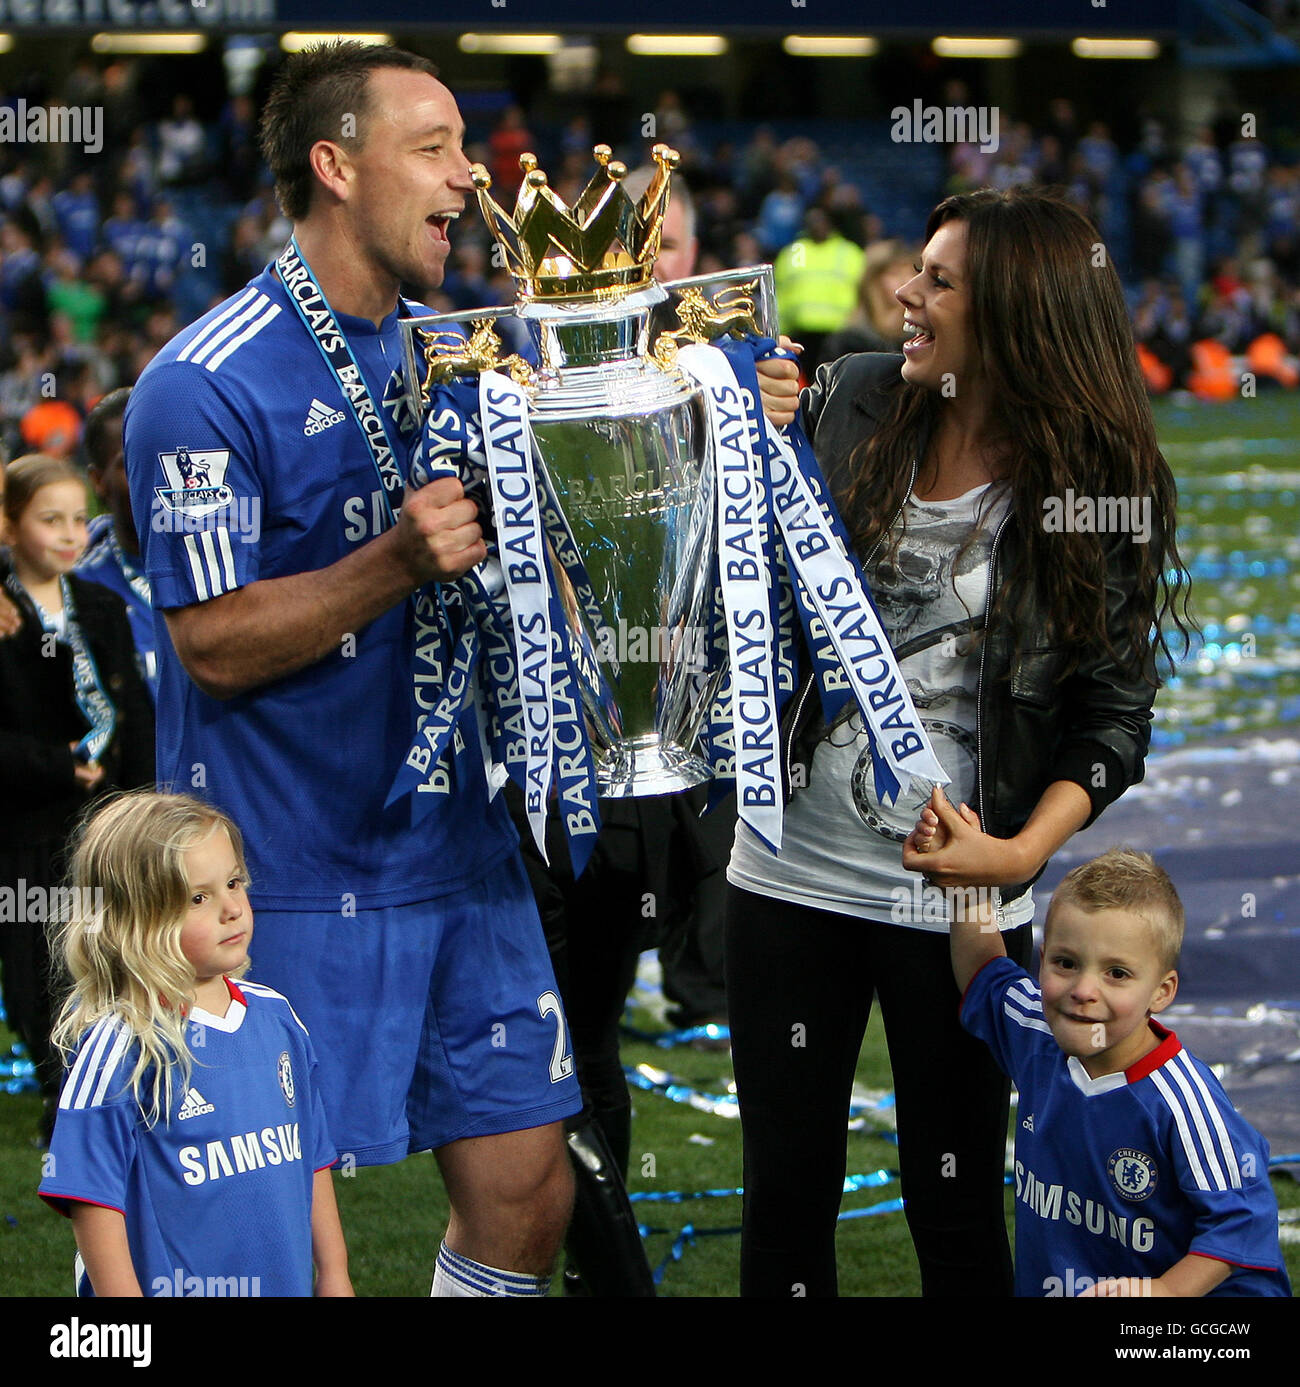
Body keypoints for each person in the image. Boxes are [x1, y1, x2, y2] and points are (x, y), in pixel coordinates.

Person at [122, 41, 580, 1297]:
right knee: (246, 1228)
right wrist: (393, 562)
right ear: (335, 165)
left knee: (529, 1188)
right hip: (282, 876)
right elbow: (208, 640)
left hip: (462, 848)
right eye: (433, 148)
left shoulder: (469, 356)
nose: (471, 179)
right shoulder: (202, 384)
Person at [733, 187, 1189, 1297]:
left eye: (939, 281)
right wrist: (733, 422)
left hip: (964, 904)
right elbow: (731, 563)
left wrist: (1022, 853)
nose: (904, 291)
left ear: (1017, 313)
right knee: (785, 1194)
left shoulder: (1093, 481)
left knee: (954, 1202)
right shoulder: (845, 400)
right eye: (917, 270)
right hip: (788, 870)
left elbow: (1112, 715)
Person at [937, 834, 1290, 1298]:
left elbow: (1242, 1221)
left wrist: (1164, 1293)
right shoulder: (1036, 1033)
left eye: (1116, 973)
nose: (1084, 989)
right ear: (1042, 961)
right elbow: (986, 972)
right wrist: (969, 882)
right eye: (1066, 963)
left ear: (1162, 992)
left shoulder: (1182, 1100)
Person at [38, 791, 352, 1297]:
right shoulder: (124, 1043)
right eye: (198, 897)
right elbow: (89, 1196)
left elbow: (311, 1156)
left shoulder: (278, 1017)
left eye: (233, 883)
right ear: (136, 920)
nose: (232, 908)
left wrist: (333, 1271)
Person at [0, 454, 154, 1141]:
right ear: (10, 527)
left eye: (74, 517)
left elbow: (138, 715)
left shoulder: (101, 604)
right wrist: (59, 765)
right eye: (47, 519)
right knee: (36, 975)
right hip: (27, 827)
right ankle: (63, 1103)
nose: (68, 533)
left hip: (105, 827)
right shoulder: (5, 613)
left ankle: (104, 1101)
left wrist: (149, 805)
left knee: (107, 963)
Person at [76, 387, 158, 700]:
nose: (155, 474)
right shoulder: (79, 586)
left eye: (163, 454)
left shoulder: (232, 555)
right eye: (131, 462)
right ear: (98, 481)